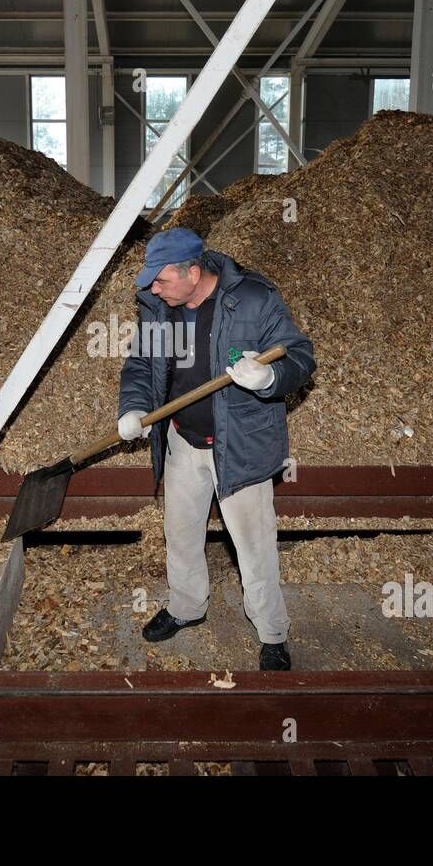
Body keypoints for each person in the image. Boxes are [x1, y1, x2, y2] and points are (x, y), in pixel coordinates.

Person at [117, 226, 316, 670]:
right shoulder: (158, 309)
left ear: (193, 272)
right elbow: (141, 365)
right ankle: (187, 607)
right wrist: (133, 409)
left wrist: (270, 379)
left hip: (239, 445)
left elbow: (300, 357)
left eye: (161, 279)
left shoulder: (252, 300)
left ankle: (271, 632)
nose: (153, 287)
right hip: (182, 442)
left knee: (254, 544)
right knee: (181, 535)